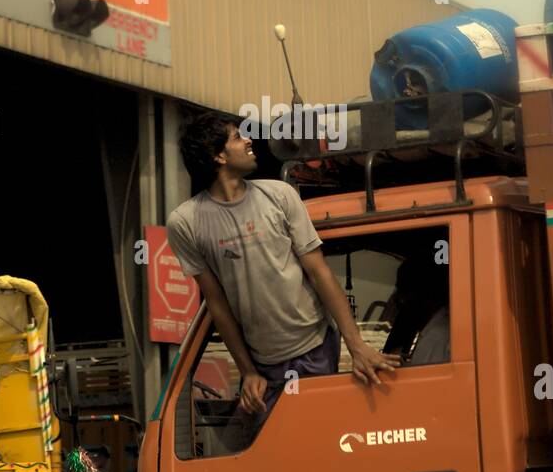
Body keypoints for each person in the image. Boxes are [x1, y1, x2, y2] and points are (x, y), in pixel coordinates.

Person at [166, 112, 400, 428]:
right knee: (269, 456)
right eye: (237, 137)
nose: (249, 140)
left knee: (319, 441)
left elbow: (320, 273)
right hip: (264, 366)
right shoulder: (186, 222)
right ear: (217, 156)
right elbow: (216, 302)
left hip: (316, 348)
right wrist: (247, 370)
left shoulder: (279, 195)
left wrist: (356, 345)